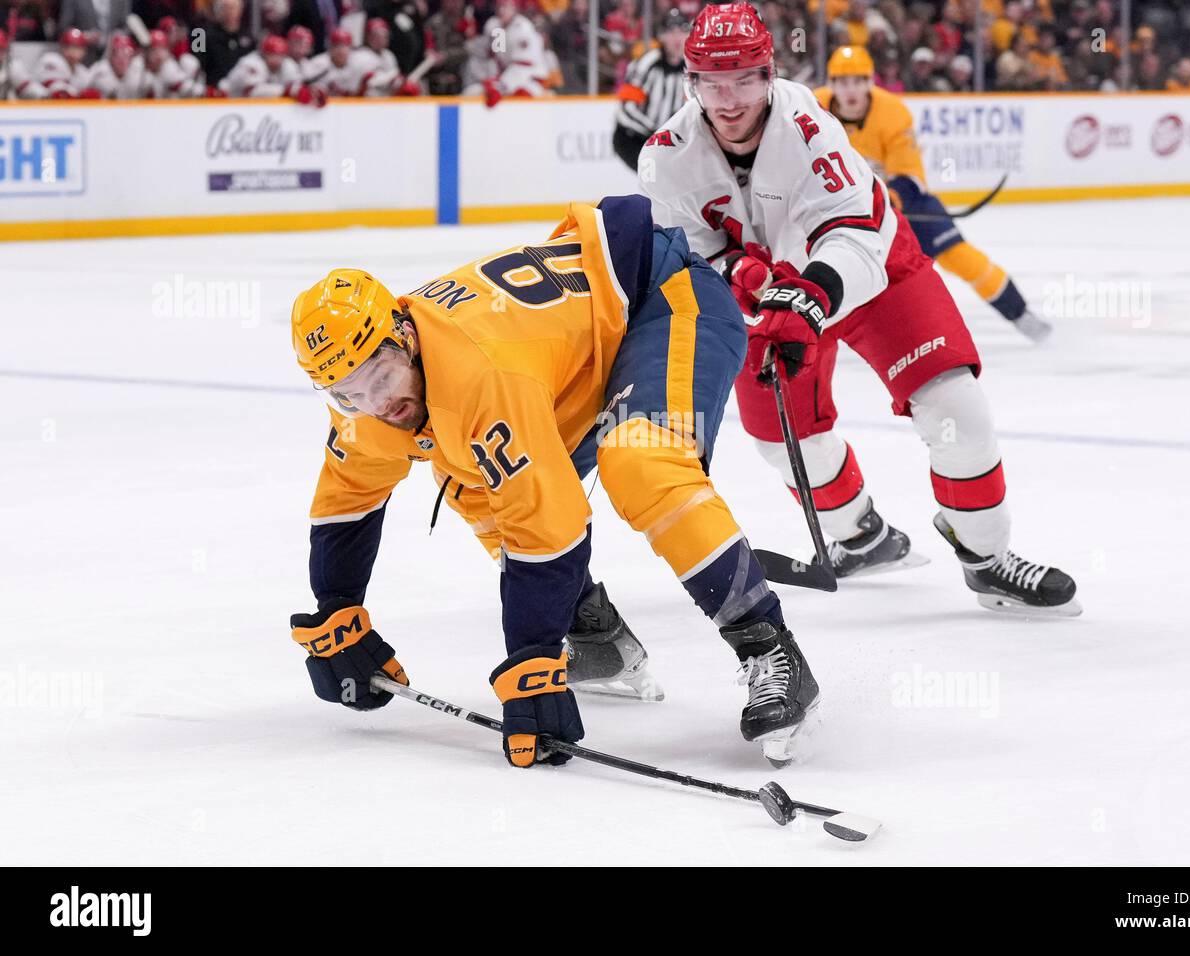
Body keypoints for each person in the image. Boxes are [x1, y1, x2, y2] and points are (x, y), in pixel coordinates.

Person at [288, 194, 822, 766]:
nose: (376, 403)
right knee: (475, 478)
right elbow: (348, 496)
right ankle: (595, 637)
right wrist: (337, 607)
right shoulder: (365, 399)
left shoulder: (479, 373)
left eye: (381, 374)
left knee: (638, 459)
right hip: (576, 360)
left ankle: (767, 645)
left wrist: (532, 660)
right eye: (346, 391)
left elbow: (545, 524)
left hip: (664, 301)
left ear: (406, 336)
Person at [640, 5, 1080, 615]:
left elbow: (854, 228)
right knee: (781, 441)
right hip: (767, 299)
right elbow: (686, 251)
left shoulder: (808, 126)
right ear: (691, 83)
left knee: (956, 407)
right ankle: (859, 534)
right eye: (712, 82)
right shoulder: (665, 157)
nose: (729, 98)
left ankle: (987, 558)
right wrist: (738, 273)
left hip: (871, 272)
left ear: (770, 75)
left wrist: (811, 295)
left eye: (743, 78)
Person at [817, 46, 1052, 342]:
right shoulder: (814, 107)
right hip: (841, 211)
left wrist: (888, 200)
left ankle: (1021, 315)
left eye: (857, 81)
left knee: (962, 258)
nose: (849, 90)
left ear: (870, 82)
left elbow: (911, 175)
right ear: (831, 83)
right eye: (841, 82)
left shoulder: (892, 112)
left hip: (901, 206)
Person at [612, 7, 689, 171]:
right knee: (659, 180)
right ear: (661, 36)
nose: (677, 38)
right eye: (671, 32)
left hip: (663, 144)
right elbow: (626, 108)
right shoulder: (646, 64)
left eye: (682, 31)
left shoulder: (692, 68)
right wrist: (655, 133)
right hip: (632, 138)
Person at [23, 28, 94, 98]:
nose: (72, 51)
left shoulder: (83, 72)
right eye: (68, 47)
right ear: (61, 48)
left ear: (84, 51)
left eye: (77, 48)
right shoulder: (51, 60)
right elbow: (58, 92)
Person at [84, 33, 146, 98]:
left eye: (126, 55)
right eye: (118, 55)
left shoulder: (138, 72)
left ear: (132, 57)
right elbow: (82, 89)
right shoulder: (99, 70)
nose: (122, 60)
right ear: (111, 56)